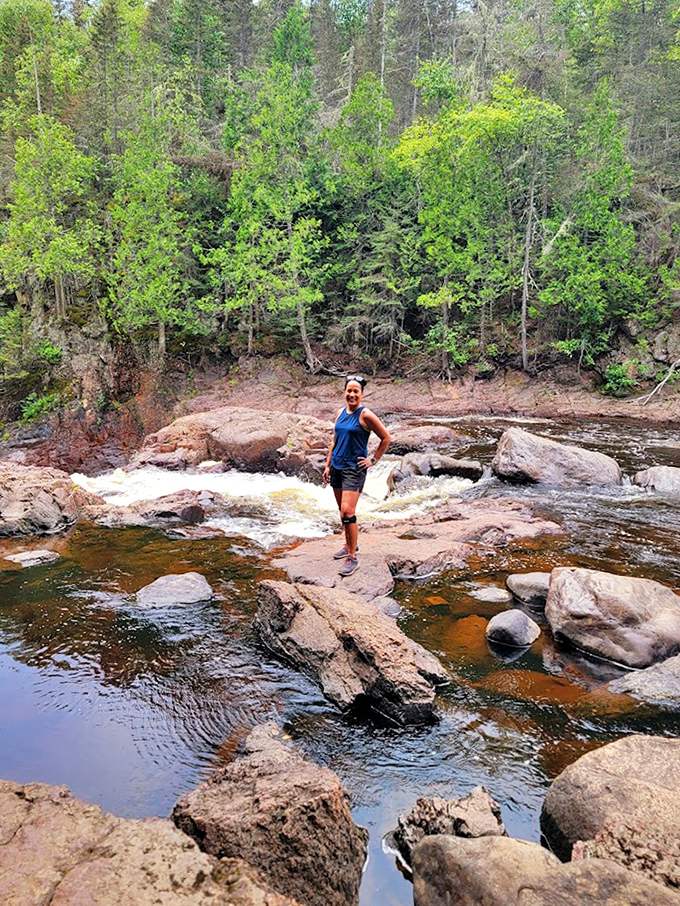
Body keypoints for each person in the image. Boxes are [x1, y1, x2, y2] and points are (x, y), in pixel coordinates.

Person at [322, 374, 391, 577]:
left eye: (356, 391)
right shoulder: (340, 413)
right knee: (341, 511)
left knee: (347, 512)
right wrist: (327, 466)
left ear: (361, 394)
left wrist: (373, 460)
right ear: (344, 392)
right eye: (349, 390)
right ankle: (349, 544)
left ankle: (352, 556)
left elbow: (386, 438)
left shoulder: (365, 414)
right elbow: (334, 440)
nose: (352, 394)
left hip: (354, 468)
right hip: (337, 467)